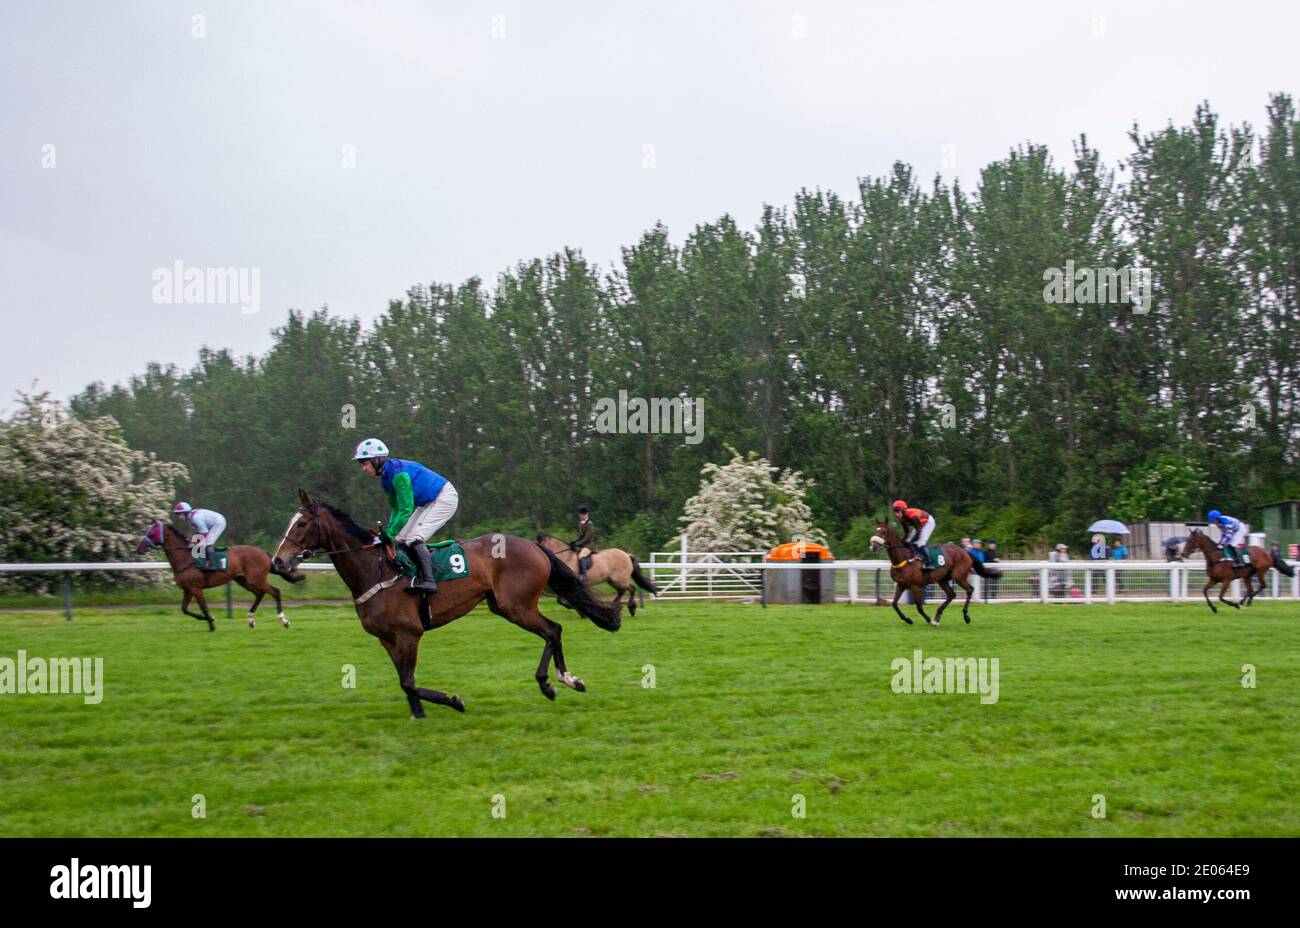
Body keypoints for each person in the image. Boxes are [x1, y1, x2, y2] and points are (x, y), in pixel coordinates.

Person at [354, 438, 459, 595]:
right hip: (428, 502)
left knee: (414, 538)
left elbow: (406, 509)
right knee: (400, 537)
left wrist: (388, 534)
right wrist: (388, 533)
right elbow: (395, 509)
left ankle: (429, 581)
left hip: (444, 498)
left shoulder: (399, 475)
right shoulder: (385, 479)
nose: (363, 468)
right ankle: (414, 575)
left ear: (377, 460)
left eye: (365, 463)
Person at [172, 501, 226, 570]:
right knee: (196, 543)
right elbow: (198, 533)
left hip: (219, 523)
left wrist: (196, 545)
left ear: (184, 513)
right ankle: (200, 563)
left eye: (178, 514)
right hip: (212, 524)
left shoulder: (195, 518)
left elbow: (204, 533)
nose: (178, 517)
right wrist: (192, 543)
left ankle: (212, 564)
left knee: (208, 543)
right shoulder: (191, 517)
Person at [891, 499, 936, 567]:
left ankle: (930, 562)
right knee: (910, 541)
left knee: (920, 543)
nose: (896, 514)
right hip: (919, 526)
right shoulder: (902, 519)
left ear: (903, 511)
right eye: (895, 512)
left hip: (928, 522)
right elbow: (906, 533)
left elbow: (919, 531)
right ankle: (917, 557)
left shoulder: (913, 516)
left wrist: (911, 541)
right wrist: (901, 541)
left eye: (897, 511)